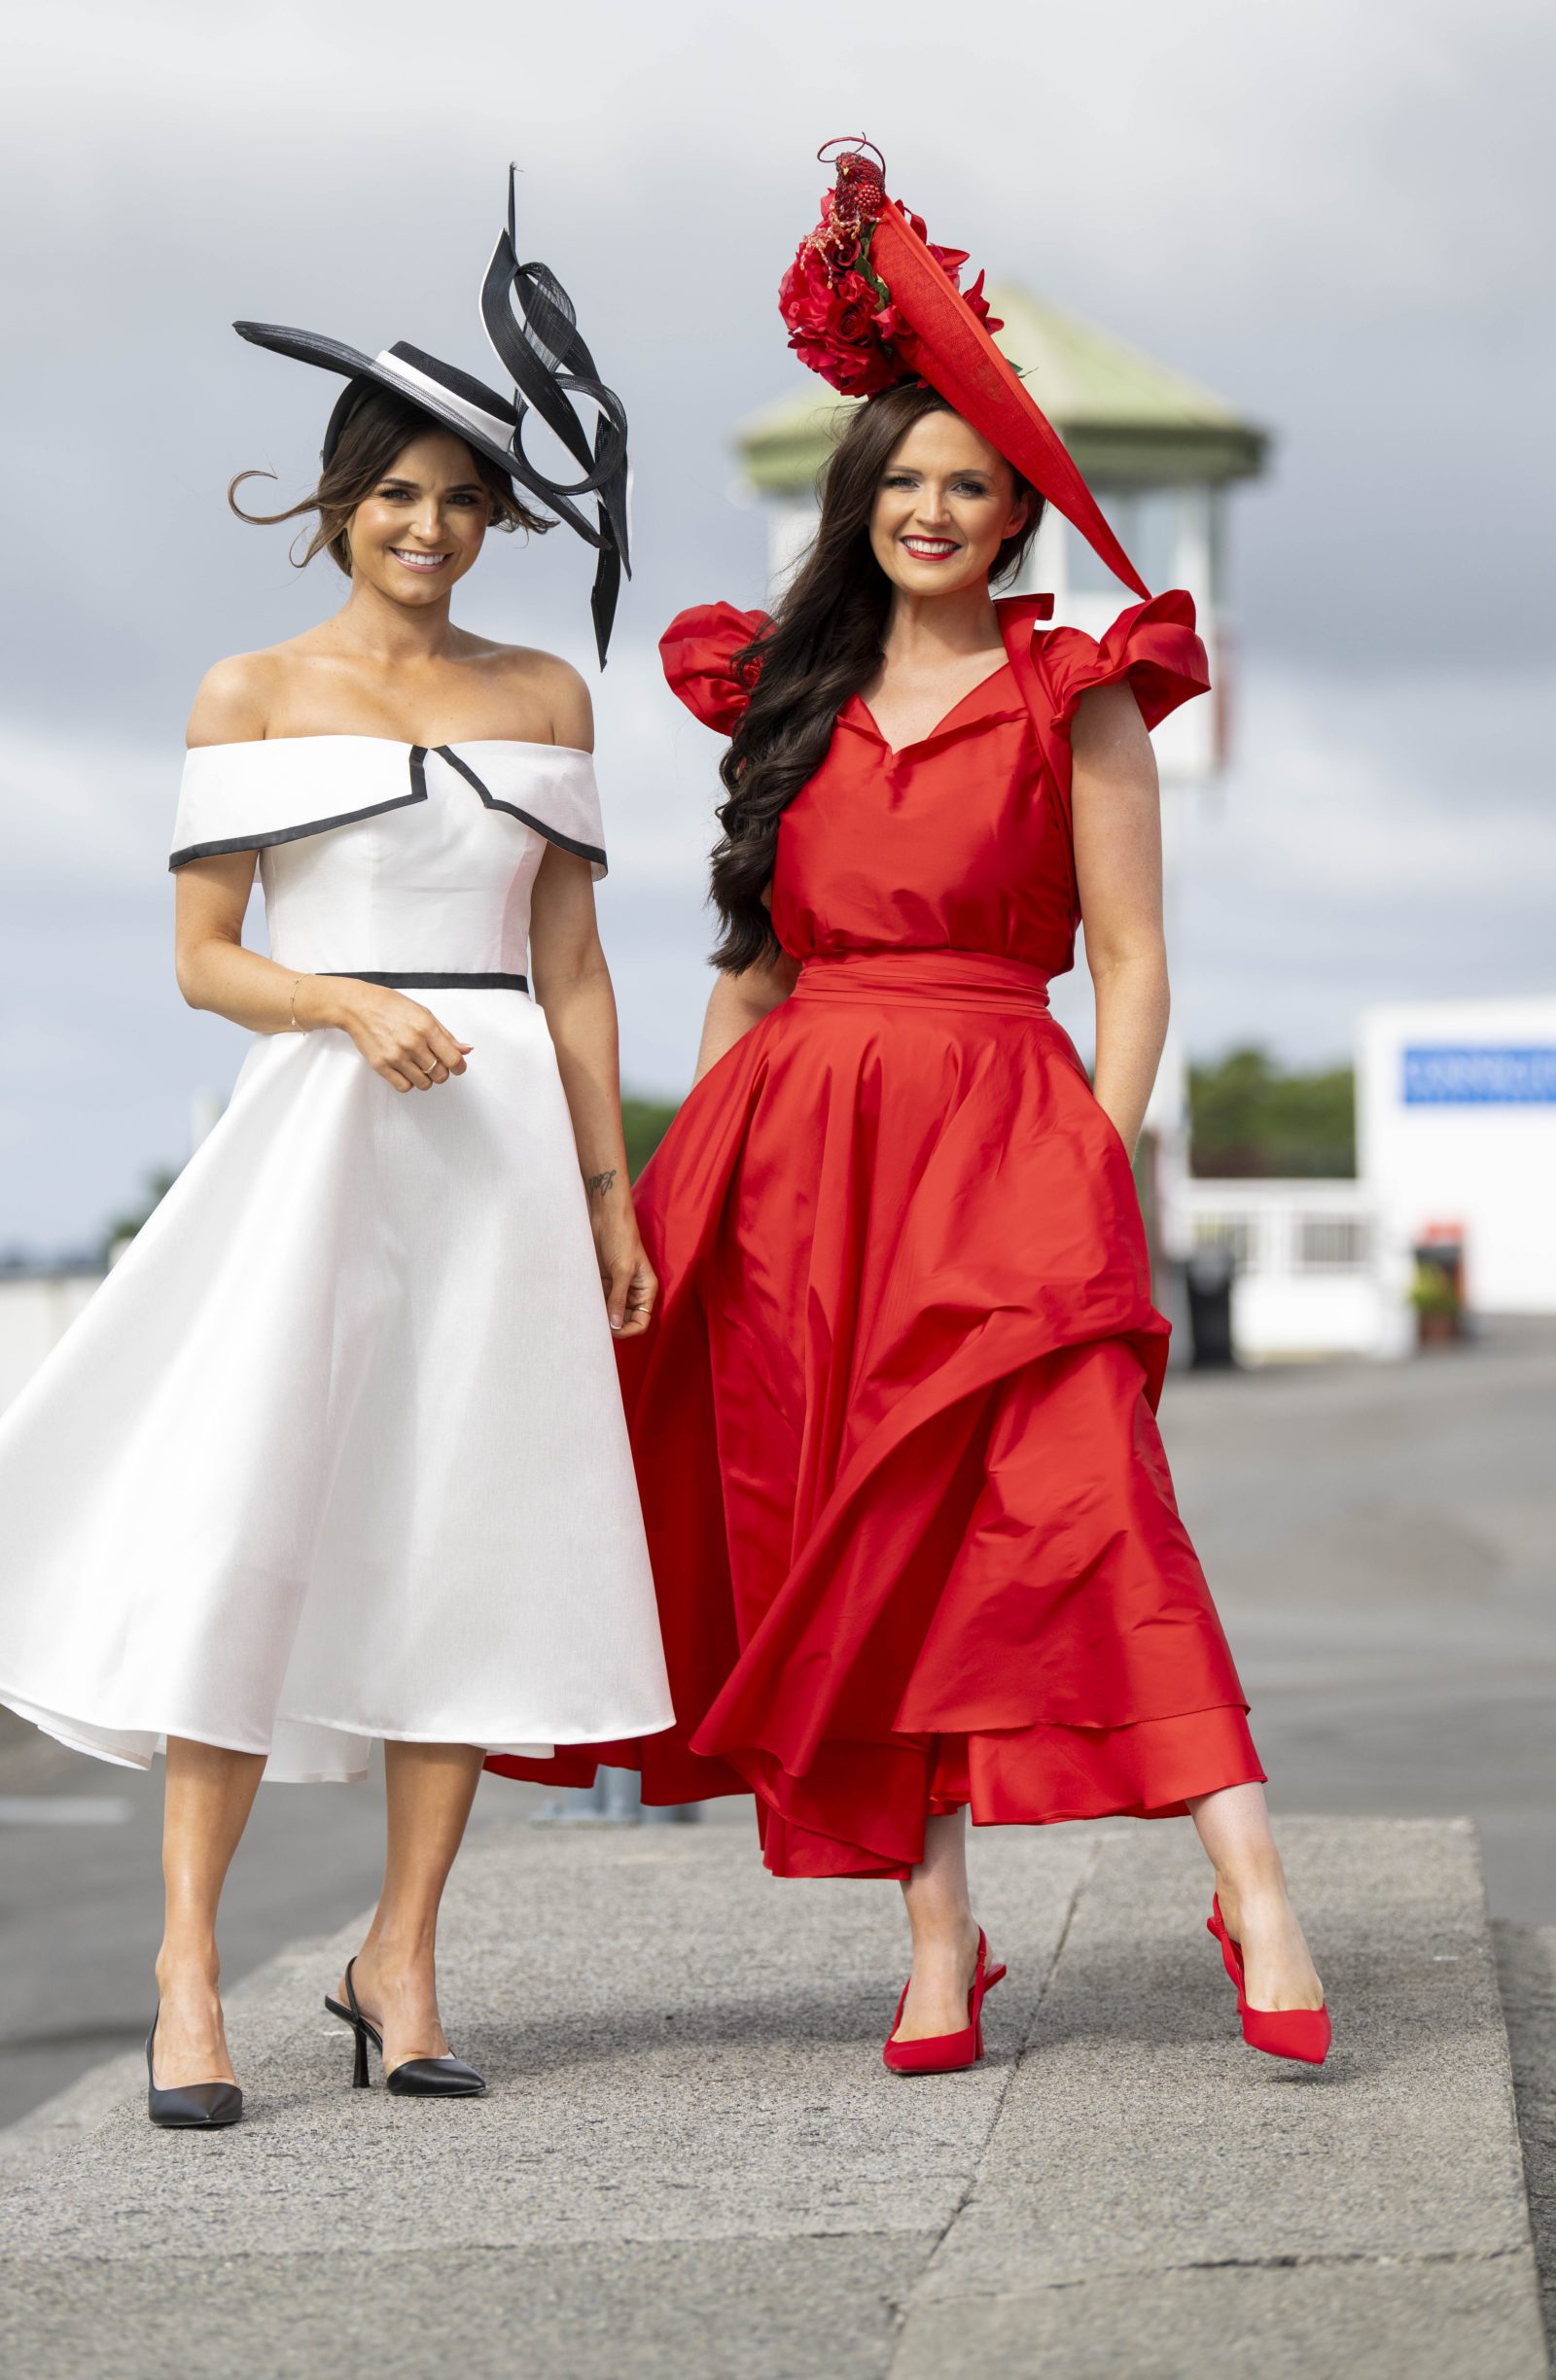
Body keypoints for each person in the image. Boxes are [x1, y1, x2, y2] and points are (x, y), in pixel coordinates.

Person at [494, 142, 1329, 2074]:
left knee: (1098, 1505)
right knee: (850, 1546)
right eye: (907, 482)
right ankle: (940, 1945)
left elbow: (1132, 964)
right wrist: (673, 1199)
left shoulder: (1076, 694)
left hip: (1006, 1138)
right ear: (857, 504)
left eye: (973, 484)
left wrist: (1095, 1165)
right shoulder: (775, 699)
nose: (936, 509)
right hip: (797, 1168)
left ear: (1017, 511)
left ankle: (1253, 1877)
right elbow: (747, 974)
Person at [0, 186, 672, 2118]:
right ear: (334, 503)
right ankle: (187, 1976)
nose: (428, 528)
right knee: (247, 1526)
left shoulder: (548, 698)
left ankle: (403, 1962)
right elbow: (204, 961)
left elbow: (568, 967)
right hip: (323, 1135)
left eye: (464, 501)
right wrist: (345, 1008)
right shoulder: (250, 694)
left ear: (498, 521)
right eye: (395, 494)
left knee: (472, 1538)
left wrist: (607, 1184)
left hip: (498, 1157)